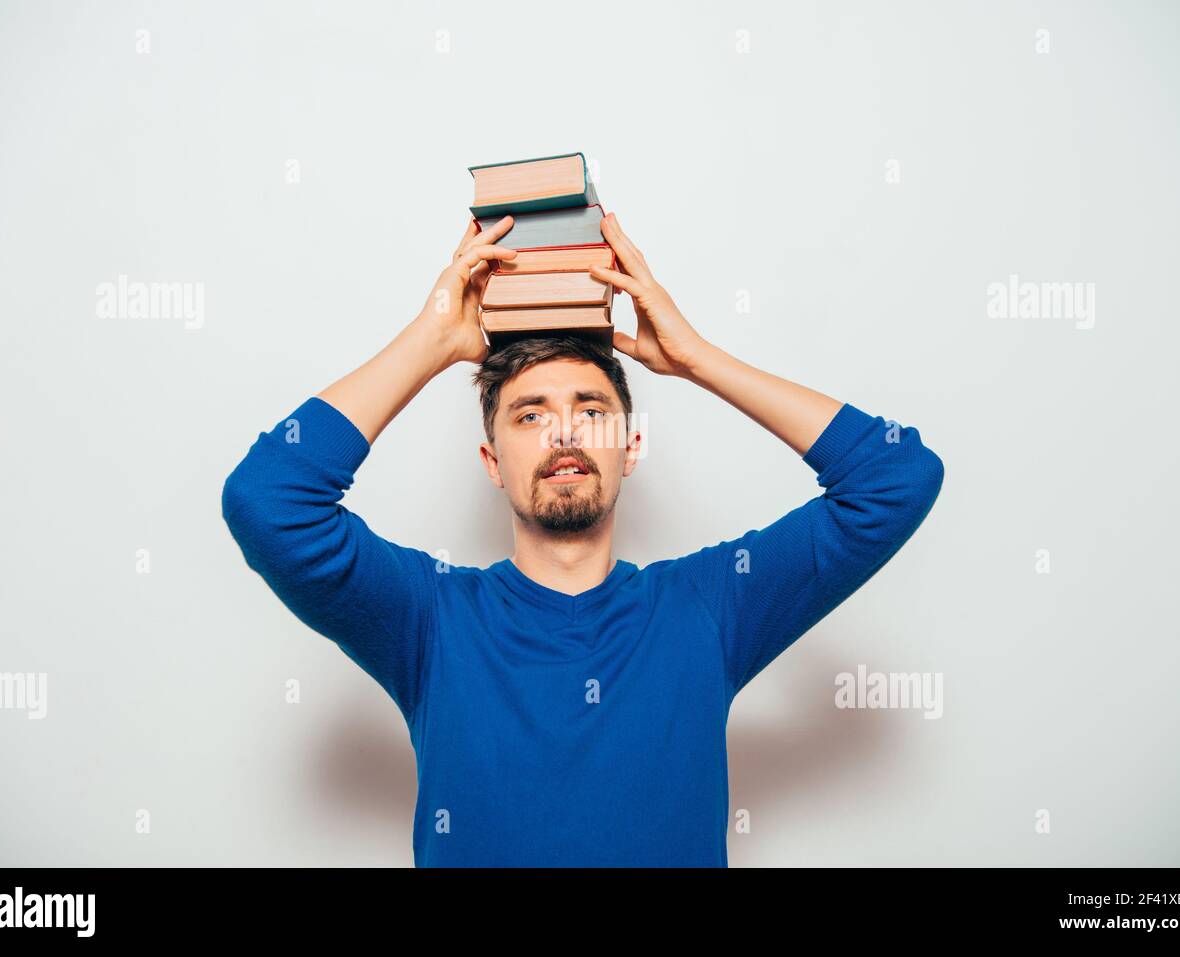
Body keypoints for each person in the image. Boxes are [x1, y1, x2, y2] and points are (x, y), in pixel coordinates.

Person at [221, 211, 945, 867]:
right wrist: (431, 341)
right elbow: (267, 501)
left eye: (590, 410)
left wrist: (695, 357)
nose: (565, 431)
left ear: (630, 447)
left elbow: (896, 476)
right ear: (491, 463)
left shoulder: (709, 606)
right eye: (530, 415)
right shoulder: (430, 618)